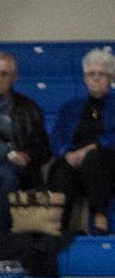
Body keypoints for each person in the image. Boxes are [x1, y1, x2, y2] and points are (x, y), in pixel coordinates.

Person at [0, 51, 51, 244]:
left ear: (14, 77)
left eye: (4, 74)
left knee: (6, 175)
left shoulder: (28, 108)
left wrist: (27, 156)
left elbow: (43, 149)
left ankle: (1, 240)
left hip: (10, 165)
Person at [46, 47, 115, 237]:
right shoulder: (69, 107)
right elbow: (56, 137)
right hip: (74, 158)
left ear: (111, 78)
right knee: (62, 169)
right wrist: (67, 152)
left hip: (107, 158)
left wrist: (92, 147)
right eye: (91, 74)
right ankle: (58, 228)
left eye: (101, 74)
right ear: (85, 78)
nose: (96, 78)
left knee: (93, 159)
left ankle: (99, 216)